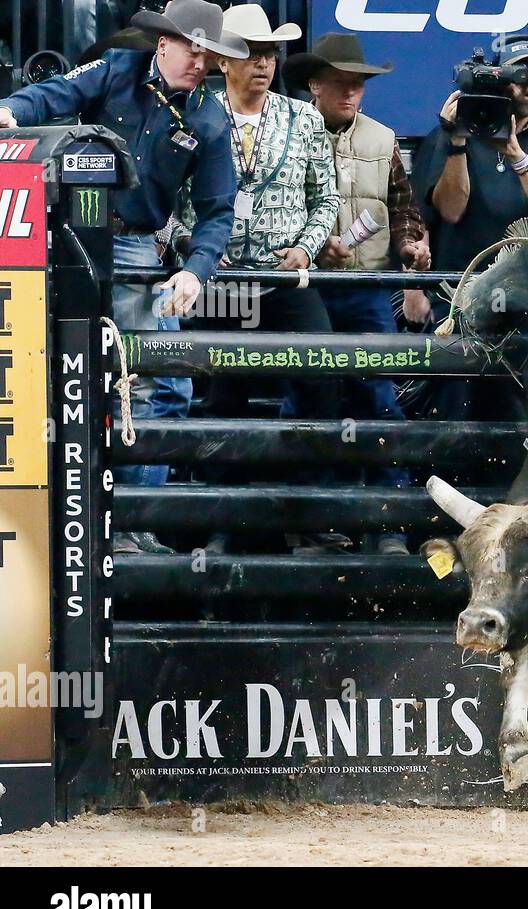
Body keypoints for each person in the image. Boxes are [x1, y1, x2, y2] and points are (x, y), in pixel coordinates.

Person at [0, 0, 246, 556]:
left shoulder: (208, 117)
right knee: (44, 364)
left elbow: (217, 211)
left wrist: (195, 270)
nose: (200, 62)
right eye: (191, 48)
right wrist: (13, 109)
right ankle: (38, 511)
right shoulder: (116, 68)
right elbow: (54, 93)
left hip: (135, 243)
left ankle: (134, 520)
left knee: (163, 380)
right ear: (163, 44)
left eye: (208, 54)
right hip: (65, 236)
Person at [174, 4, 344, 555]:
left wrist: (307, 247)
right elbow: (175, 201)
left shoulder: (304, 118)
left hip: (287, 279)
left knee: (323, 379)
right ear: (224, 60)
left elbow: (327, 197)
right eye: (251, 53)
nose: (263, 63)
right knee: (225, 394)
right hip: (224, 281)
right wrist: (195, 251)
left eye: (270, 53)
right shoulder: (196, 115)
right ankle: (224, 515)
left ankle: (308, 507)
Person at [285, 32, 431, 556]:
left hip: (367, 286)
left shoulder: (382, 139)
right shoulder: (290, 134)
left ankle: (388, 520)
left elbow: (403, 207)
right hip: (306, 288)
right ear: (316, 85)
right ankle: (310, 517)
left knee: (380, 399)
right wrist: (310, 244)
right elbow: (274, 209)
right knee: (308, 397)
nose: (351, 94)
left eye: (358, 85)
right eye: (341, 84)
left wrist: (413, 243)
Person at [411, 36, 528, 275]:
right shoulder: (448, 134)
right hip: (461, 284)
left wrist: (516, 155)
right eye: (519, 73)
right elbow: (450, 211)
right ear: (498, 78)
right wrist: (457, 141)